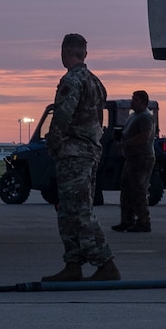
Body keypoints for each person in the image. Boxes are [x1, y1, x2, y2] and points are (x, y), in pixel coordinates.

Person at [41, 33, 117, 281]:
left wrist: (53, 145)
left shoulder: (71, 81)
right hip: (89, 152)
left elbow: (62, 118)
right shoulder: (95, 82)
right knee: (68, 211)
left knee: (79, 211)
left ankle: (104, 262)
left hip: (73, 154)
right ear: (85, 54)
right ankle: (73, 263)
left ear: (64, 52)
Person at [113, 90, 156, 233]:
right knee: (126, 189)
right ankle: (127, 220)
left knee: (138, 190)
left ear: (144, 102)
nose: (132, 102)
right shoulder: (133, 116)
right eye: (133, 99)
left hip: (142, 157)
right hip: (131, 158)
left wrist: (125, 144)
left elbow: (144, 136)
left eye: (136, 100)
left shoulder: (145, 117)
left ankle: (144, 221)